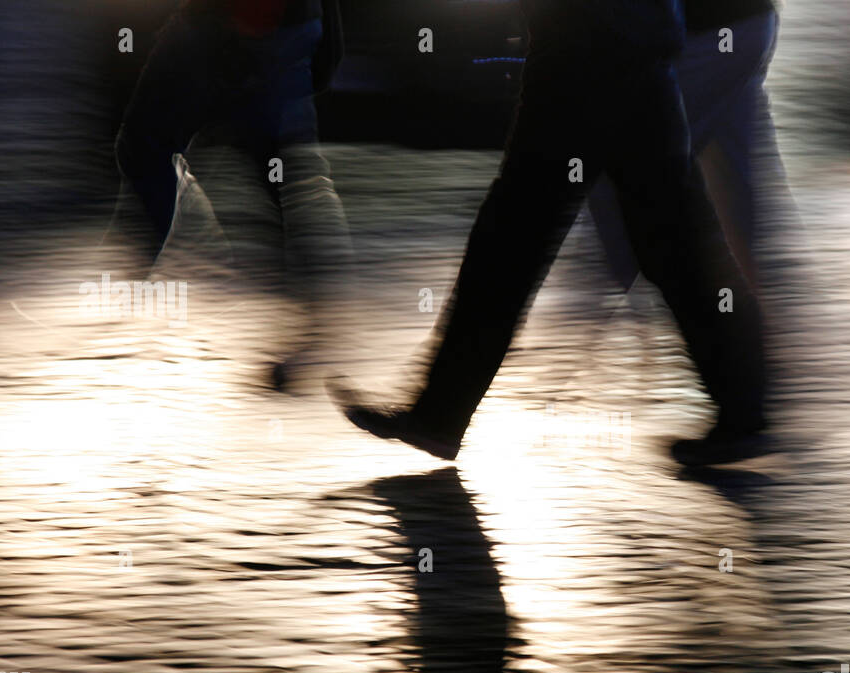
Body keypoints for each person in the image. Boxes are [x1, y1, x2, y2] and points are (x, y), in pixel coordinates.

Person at [330, 0, 771, 467]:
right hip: (632, 43)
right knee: (669, 236)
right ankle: (744, 410)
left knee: (514, 236)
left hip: (585, 51)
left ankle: (440, 414)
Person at [105, 0, 349, 387]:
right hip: (280, 26)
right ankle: (315, 320)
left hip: (233, 26)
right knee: (276, 178)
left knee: (147, 142)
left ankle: (123, 284)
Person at [587, 0, 785, 293]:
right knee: (731, 181)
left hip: (707, 34)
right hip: (744, 27)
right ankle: (749, 318)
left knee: (619, 170)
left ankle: (599, 293)